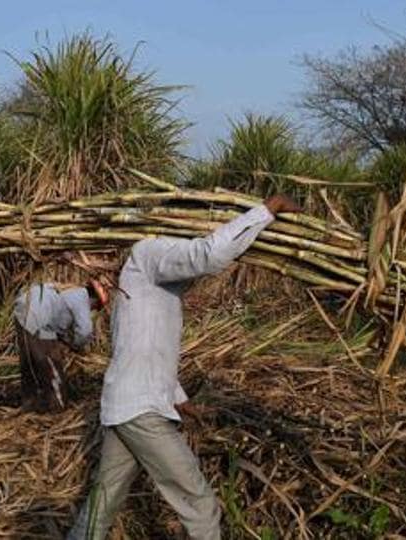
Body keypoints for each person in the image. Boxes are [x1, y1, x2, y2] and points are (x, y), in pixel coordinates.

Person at [67, 194, 302, 539]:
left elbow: (144, 351)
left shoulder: (143, 287)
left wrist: (179, 399)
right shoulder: (149, 253)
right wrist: (266, 211)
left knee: (102, 503)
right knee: (201, 504)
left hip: (127, 406)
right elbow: (207, 255)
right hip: (140, 410)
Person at [14, 280, 109, 411]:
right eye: (95, 307)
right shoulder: (82, 300)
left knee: (30, 364)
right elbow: (84, 331)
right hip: (38, 318)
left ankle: (30, 404)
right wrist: (76, 346)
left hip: (23, 310)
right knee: (52, 365)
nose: (93, 310)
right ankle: (58, 407)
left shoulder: (70, 291)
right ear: (94, 300)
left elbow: (59, 323)